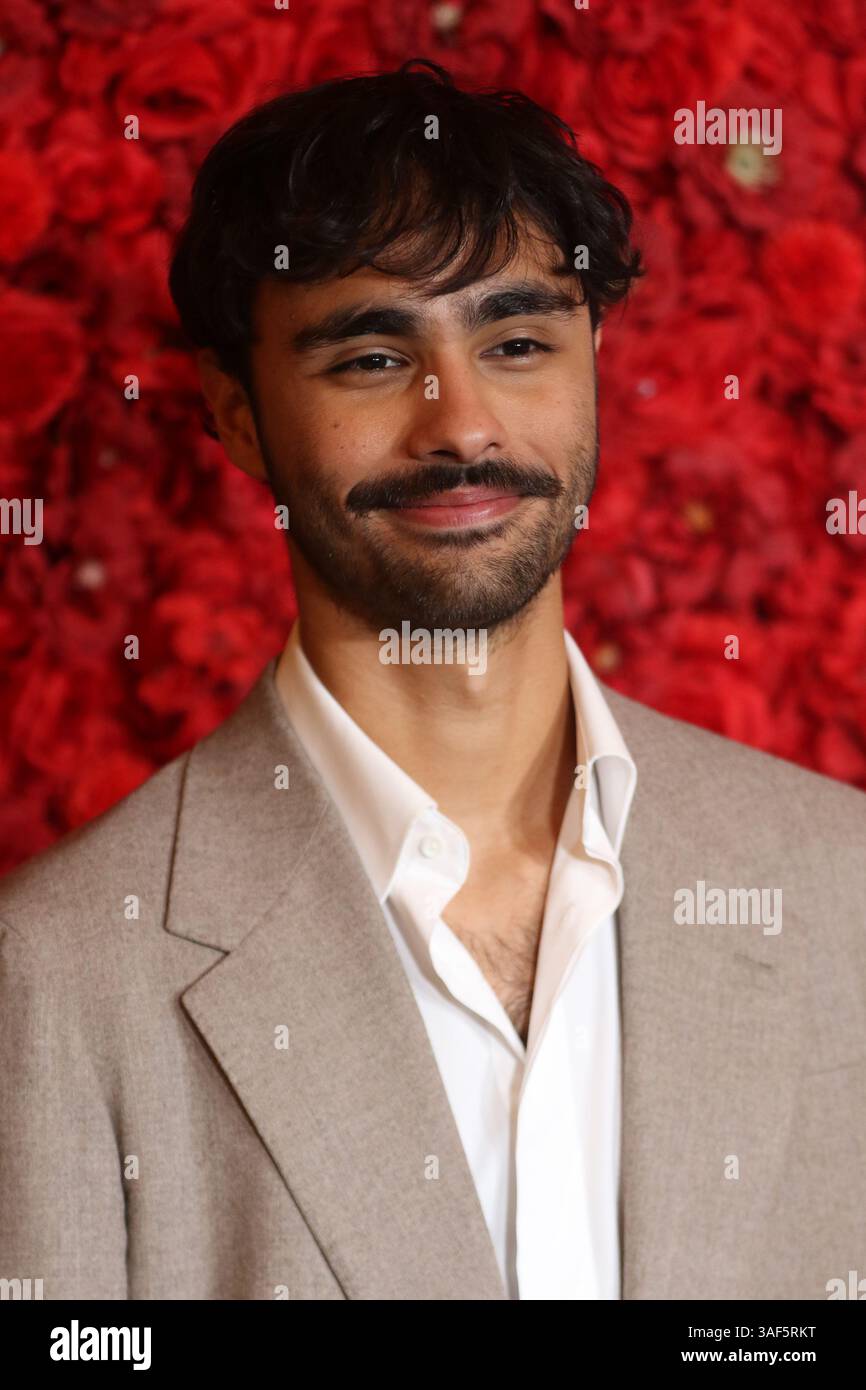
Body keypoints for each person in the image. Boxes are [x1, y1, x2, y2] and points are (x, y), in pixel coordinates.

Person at [1, 59, 863, 1303]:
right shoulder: (61, 974)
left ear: (591, 359)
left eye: (514, 343)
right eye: (367, 358)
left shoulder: (834, 885)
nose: (458, 423)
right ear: (235, 413)